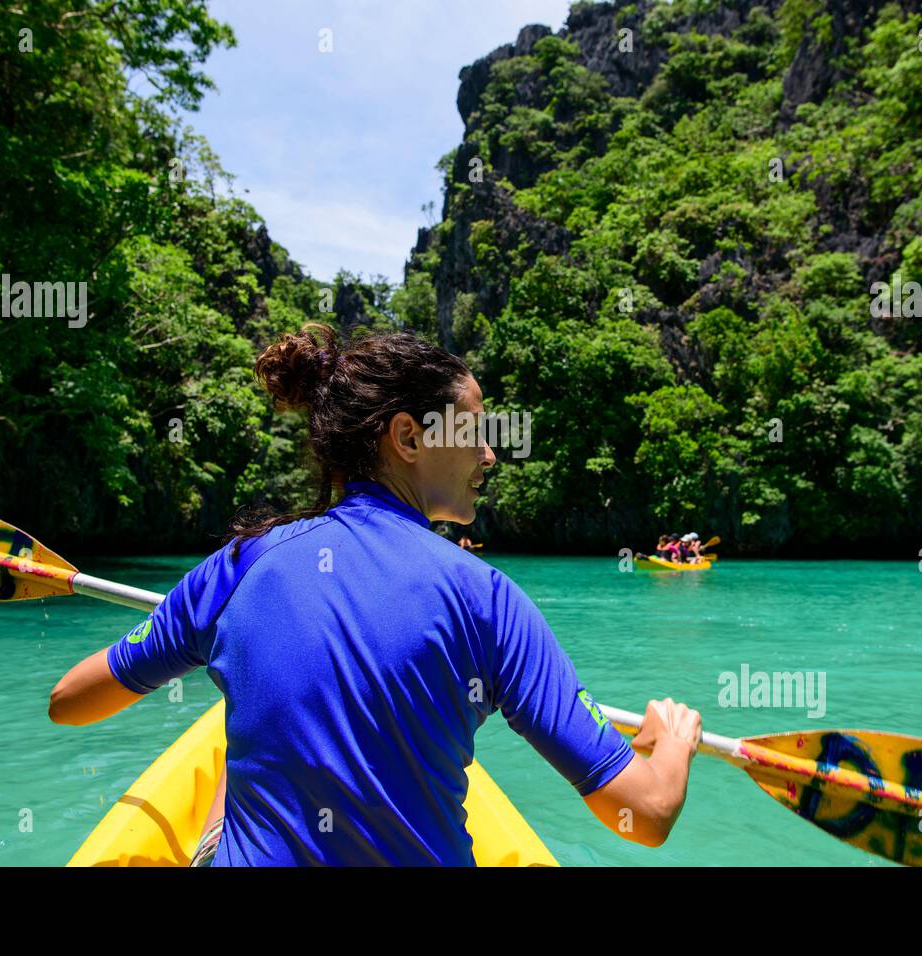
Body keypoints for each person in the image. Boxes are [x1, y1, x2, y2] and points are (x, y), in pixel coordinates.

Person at [48, 322, 702, 865]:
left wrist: (187, 635)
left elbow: (70, 703)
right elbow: (641, 814)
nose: (490, 456)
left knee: (232, 744)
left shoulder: (241, 564)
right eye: (472, 431)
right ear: (408, 437)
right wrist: (672, 742)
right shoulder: (488, 601)